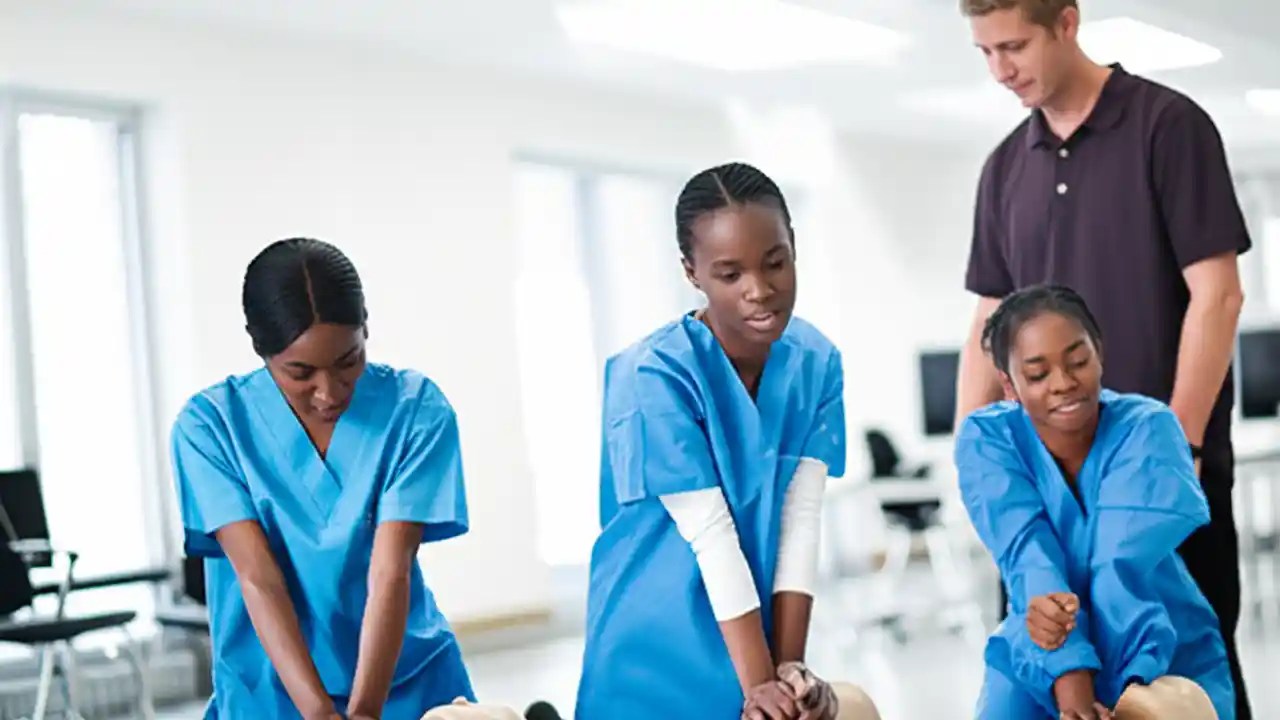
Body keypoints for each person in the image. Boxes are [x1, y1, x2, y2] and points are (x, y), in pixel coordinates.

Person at [953, 2, 1252, 716]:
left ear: (1066, 21)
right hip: (1043, 498)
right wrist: (976, 460)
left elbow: (1218, 296)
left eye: (1014, 45)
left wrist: (1178, 447)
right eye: (985, 52)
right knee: (1053, 679)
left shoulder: (1168, 127)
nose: (1000, 70)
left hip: (1157, 489)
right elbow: (987, 324)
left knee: (1183, 690)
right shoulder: (1004, 168)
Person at [573, 162, 880, 720]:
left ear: (793, 247)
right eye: (730, 274)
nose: (759, 291)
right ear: (692, 273)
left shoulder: (817, 362)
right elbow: (710, 531)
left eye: (775, 263)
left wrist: (789, 672)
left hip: (753, 630)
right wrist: (759, 686)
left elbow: (801, 516)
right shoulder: (656, 374)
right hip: (654, 646)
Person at [171, 238, 484, 719]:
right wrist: (318, 712)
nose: (328, 393)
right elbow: (258, 578)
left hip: (404, 681)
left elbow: (390, 571)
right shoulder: (210, 428)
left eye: (348, 362)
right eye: (300, 373)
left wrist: (364, 712)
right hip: (270, 690)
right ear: (261, 348)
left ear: (366, 328)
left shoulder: (415, 410)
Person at [956, 284, 1234, 720]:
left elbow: (1117, 569)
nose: (1063, 383)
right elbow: (1029, 559)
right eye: (1037, 374)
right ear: (1009, 385)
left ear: (1099, 353)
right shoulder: (987, 439)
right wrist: (1069, 682)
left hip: (1154, 641)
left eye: (1078, 362)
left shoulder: (1148, 429)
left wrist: (1118, 702)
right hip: (1043, 644)